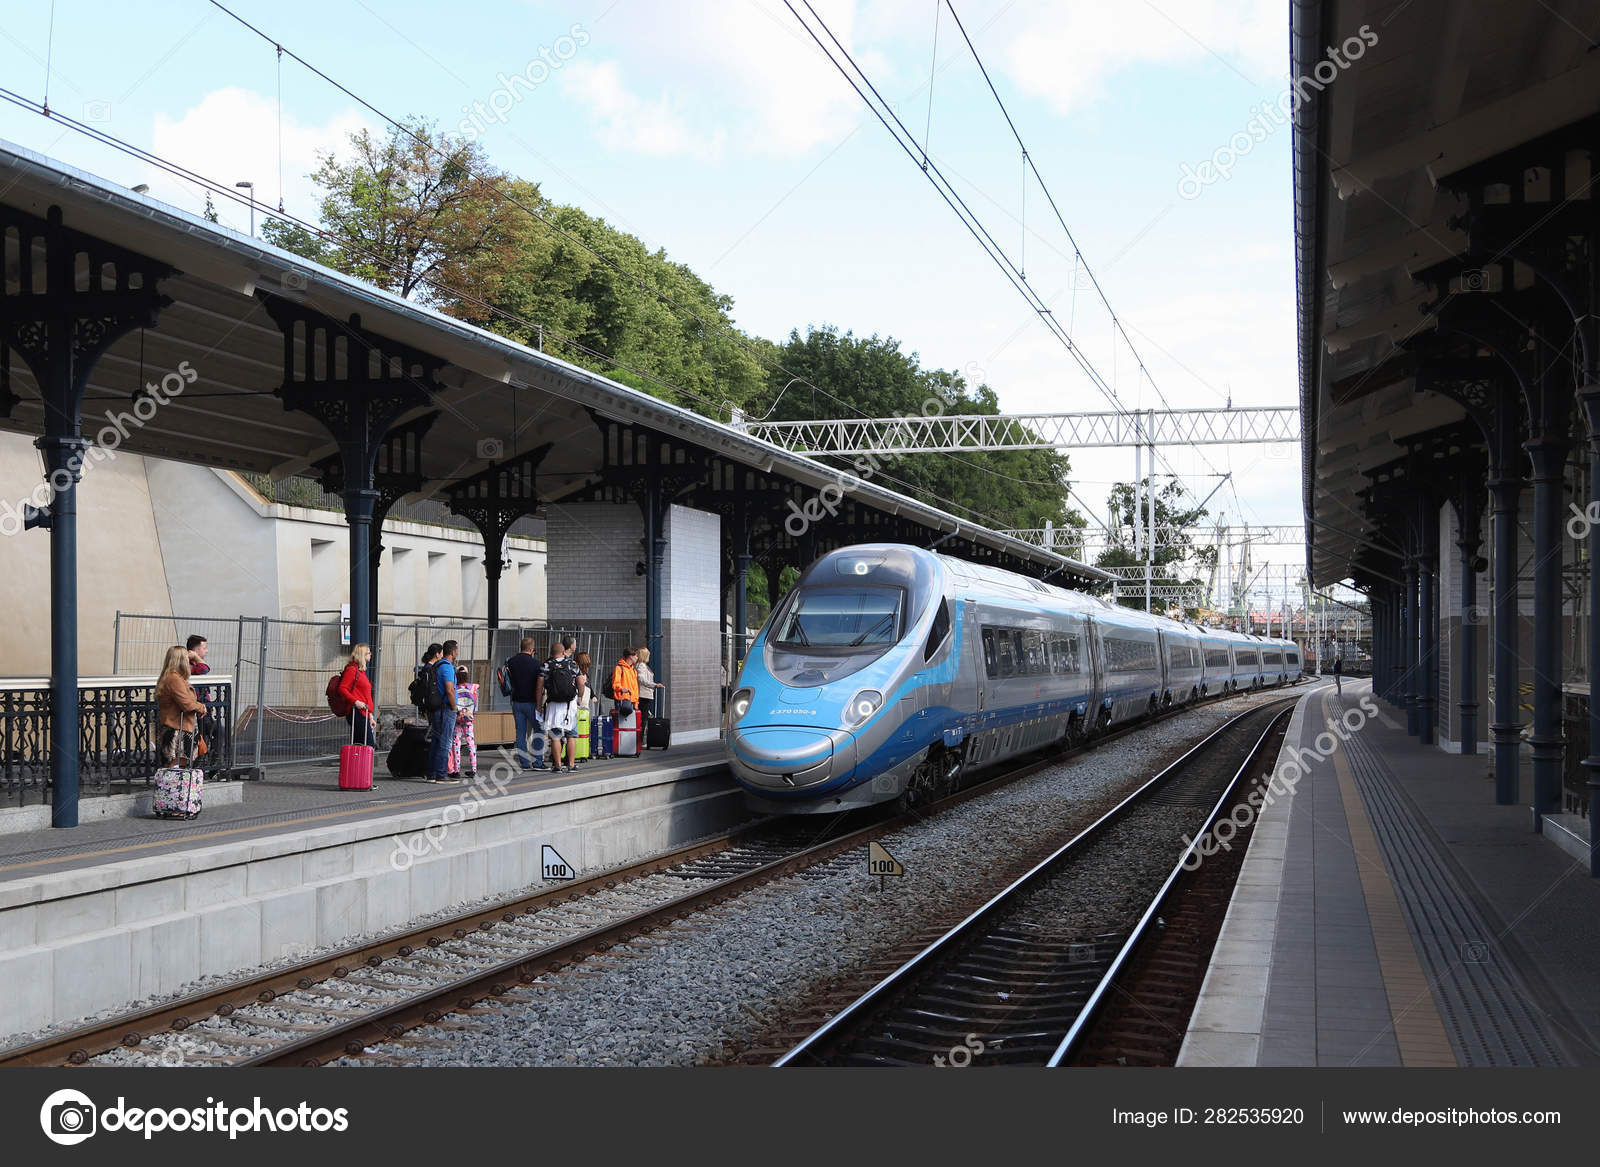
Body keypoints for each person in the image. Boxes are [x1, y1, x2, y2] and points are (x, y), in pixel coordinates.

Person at [155, 645, 207, 767]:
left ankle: (174, 785)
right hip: (178, 729)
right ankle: (174, 785)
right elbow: (186, 703)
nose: (189, 661)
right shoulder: (174, 679)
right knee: (176, 763)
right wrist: (201, 707)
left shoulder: (173, 677)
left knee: (178, 764)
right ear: (181, 660)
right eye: (186, 658)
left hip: (179, 726)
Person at [541, 637, 583, 773]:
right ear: (563, 652)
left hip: (553, 704)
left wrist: (538, 703)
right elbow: (581, 683)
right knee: (571, 735)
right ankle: (571, 765)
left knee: (555, 736)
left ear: (551, 652)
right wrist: (579, 697)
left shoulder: (546, 665)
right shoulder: (572, 664)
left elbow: (539, 686)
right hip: (569, 705)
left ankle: (558, 766)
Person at [505, 637, 547, 771]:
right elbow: (540, 684)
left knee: (520, 734)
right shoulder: (536, 664)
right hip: (532, 703)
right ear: (531, 649)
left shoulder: (511, 662)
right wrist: (539, 704)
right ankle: (538, 761)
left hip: (516, 702)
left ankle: (524, 763)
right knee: (539, 730)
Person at [426, 640, 460, 784]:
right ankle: (441, 773)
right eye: (457, 650)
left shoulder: (438, 665)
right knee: (445, 741)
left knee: (437, 740)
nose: (457, 653)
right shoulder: (447, 667)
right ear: (452, 652)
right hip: (445, 708)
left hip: (438, 708)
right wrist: (454, 707)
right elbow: (449, 689)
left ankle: (432, 773)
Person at [338, 643, 379, 748]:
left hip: (363, 712)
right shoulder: (352, 670)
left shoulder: (360, 672)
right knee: (369, 744)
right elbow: (342, 688)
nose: (371, 654)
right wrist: (355, 702)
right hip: (356, 711)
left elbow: (364, 695)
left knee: (360, 745)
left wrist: (370, 715)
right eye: (369, 653)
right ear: (363, 655)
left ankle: (358, 764)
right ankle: (362, 764)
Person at [449, 670, 479, 779]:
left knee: (456, 744)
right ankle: (473, 769)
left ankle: (456, 770)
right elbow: (475, 705)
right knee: (470, 743)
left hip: (457, 719)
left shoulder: (454, 689)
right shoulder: (472, 688)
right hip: (469, 720)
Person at [637, 646, 665, 721]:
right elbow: (641, 679)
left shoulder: (640, 665)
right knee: (644, 716)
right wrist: (654, 685)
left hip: (643, 694)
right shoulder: (641, 666)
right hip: (643, 694)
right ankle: (642, 732)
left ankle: (642, 731)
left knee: (644, 715)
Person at [611, 647, 640, 719]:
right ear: (630, 656)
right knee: (621, 725)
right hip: (622, 701)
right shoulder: (619, 668)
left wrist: (636, 703)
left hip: (632, 702)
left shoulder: (634, 671)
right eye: (636, 656)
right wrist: (621, 689)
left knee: (630, 726)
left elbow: (635, 688)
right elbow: (615, 684)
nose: (637, 658)